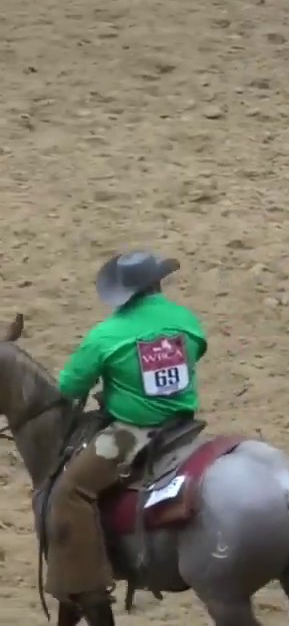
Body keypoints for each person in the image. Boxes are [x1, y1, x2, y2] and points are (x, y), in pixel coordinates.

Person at [44, 250, 208, 619]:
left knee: (71, 491)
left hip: (133, 432)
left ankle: (92, 589)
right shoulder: (186, 320)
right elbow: (196, 352)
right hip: (183, 425)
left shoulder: (107, 335)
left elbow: (68, 387)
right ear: (156, 282)